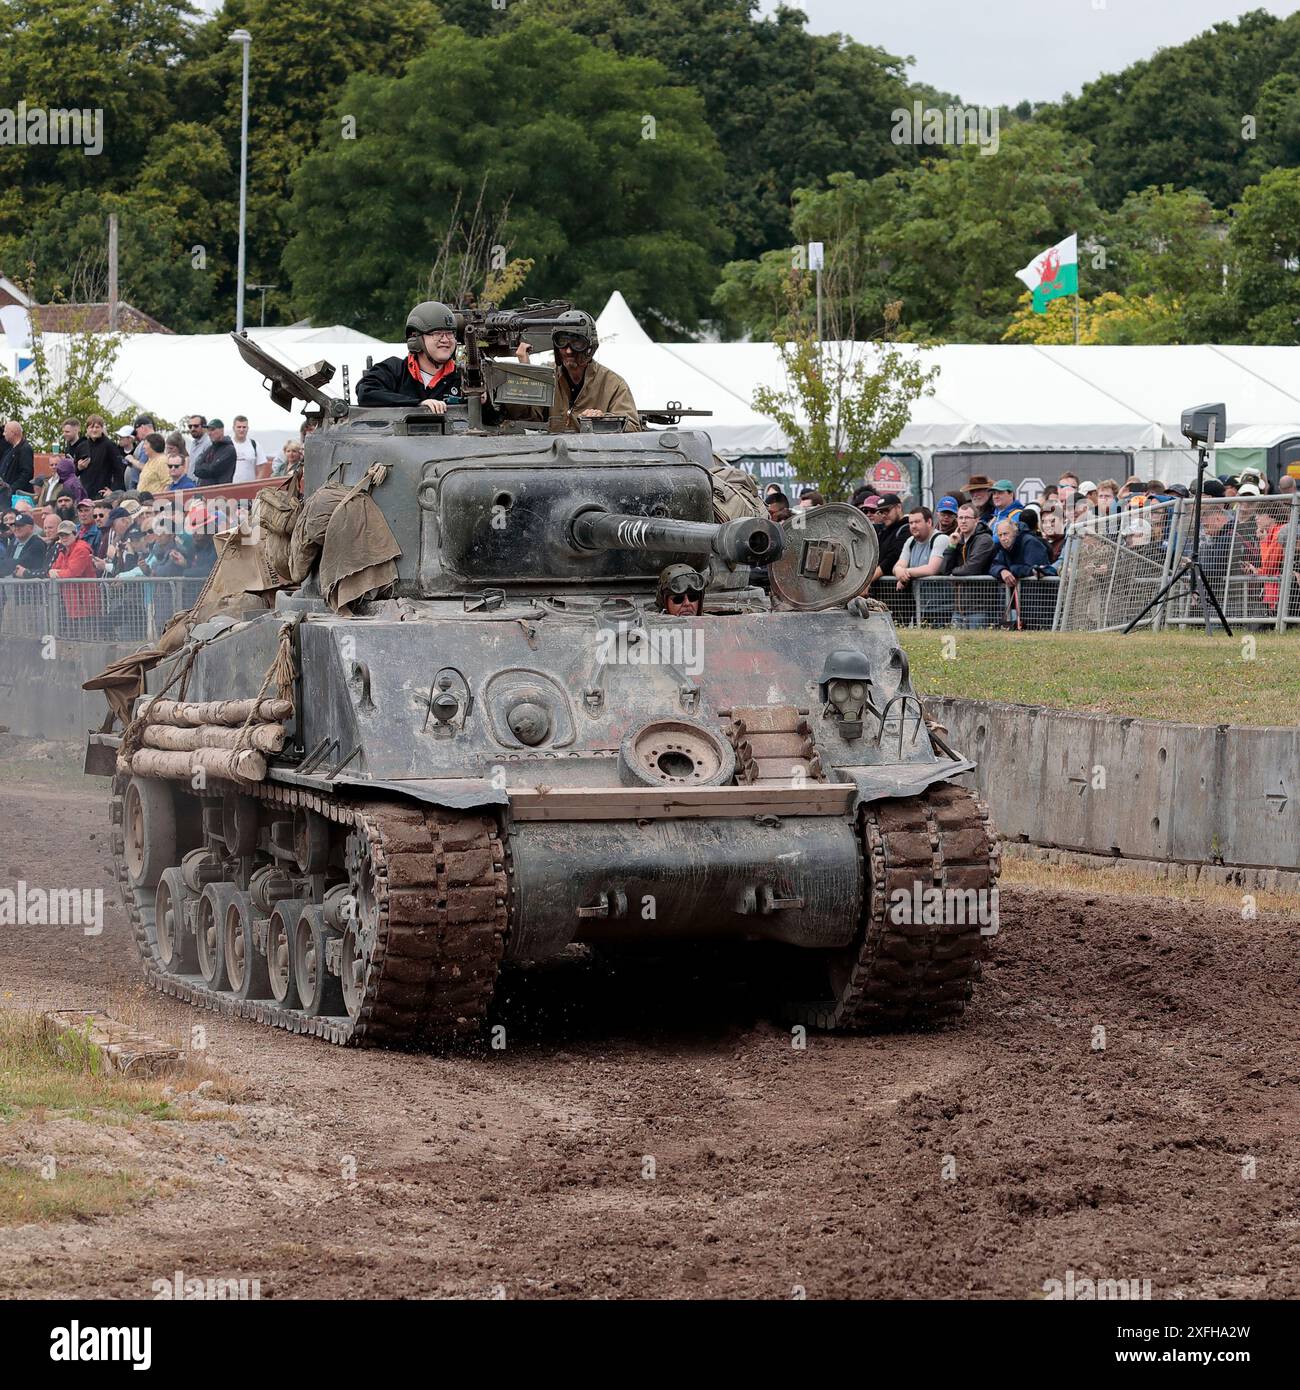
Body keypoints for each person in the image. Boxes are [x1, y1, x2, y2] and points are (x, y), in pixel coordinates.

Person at [513, 310, 640, 432]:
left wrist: (602, 420)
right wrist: (525, 371)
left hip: (594, 452)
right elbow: (529, 415)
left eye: (577, 343)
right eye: (562, 342)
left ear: (589, 347)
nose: (568, 350)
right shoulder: (548, 378)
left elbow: (633, 426)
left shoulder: (613, 384)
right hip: (554, 451)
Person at [357, 301, 468, 412]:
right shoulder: (395, 370)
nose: (445, 340)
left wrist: (483, 401)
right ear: (416, 338)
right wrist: (417, 404)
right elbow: (366, 392)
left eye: (450, 333)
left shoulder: (464, 377)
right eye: (437, 333)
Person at [73, 415, 127, 496]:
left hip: (102, 494)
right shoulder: (81, 447)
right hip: (85, 494)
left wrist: (113, 491)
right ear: (87, 429)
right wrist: (78, 468)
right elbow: (73, 473)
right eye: (91, 427)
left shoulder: (110, 445)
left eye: (97, 427)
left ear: (102, 429)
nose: (94, 430)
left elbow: (119, 471)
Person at [870, 494, 909, 582]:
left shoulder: (907, 529)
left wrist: (868, 582)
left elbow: (892, 558)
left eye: (886, 510)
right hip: (881, 589)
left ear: (899, 507)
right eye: (881, 512)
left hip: (898, 590)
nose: (883, 515)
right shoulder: (884, 530)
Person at [0, 420, 35, 505]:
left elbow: (27, 473)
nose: (4, 434)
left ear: (13, 432)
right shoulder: (9, 449)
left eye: (5, 431)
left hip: (16, 497)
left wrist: (12, 489)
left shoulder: (25, 449)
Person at [5, 511, 49, 577]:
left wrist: (5, 565)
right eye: (15, 525)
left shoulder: (38, 543)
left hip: (30, 585)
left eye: (21, 525)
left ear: (31, 528)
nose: (17, 528)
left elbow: (24, 563)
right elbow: (6, 559)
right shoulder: (13, 542)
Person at [196, 419, 236, 485]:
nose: (209, 433)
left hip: (220, 491)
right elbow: (197, 468)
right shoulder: (209, 448)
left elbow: (213, 469)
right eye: (208, 430)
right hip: (205, 490)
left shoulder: (229, 450)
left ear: (221, 430)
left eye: (212, 430)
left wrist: (204, 466)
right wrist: (206, 467)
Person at [230, 415, 258, 483]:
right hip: (230, 487)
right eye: (239, 427)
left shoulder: (254, 444)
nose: (241, 430)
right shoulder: (227, 445)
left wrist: (256, 485)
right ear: (233, 428)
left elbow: (262, 467)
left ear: (247, 428)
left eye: (244, 427)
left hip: (249, 488)